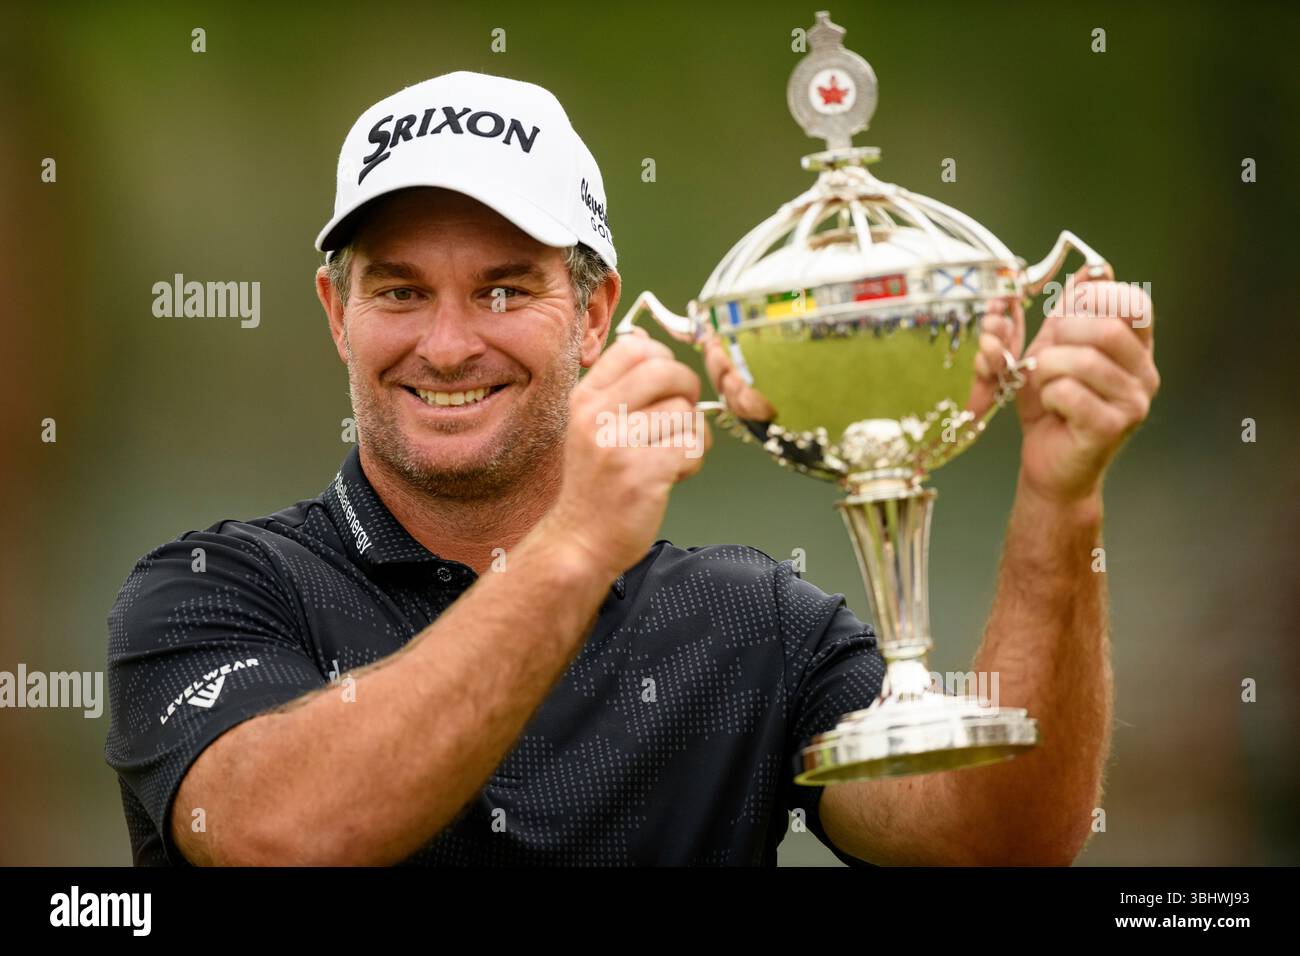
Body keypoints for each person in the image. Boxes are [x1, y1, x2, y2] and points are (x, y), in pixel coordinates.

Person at [104, 71, 1159, 867]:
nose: (449, 342)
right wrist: (573, 549)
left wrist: (1058, 505)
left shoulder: (755, 622)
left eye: (508, 290)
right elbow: (280, 832)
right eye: (399, 291)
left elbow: (997, 843)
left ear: (596, 313)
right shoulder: (209, 590)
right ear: (338, 314)